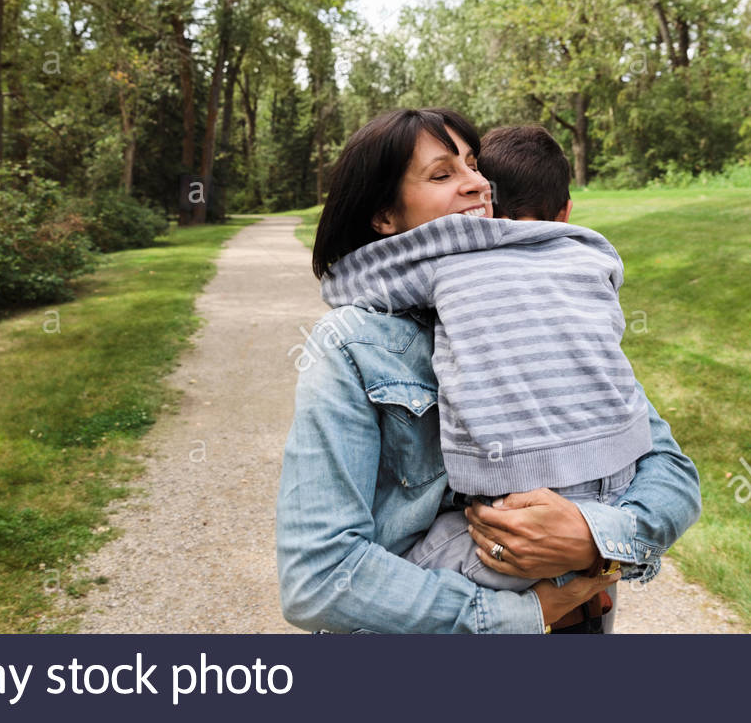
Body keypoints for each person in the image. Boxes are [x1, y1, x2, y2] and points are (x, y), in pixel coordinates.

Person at [275, 108, 701, 633]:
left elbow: (671, 473)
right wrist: (521, 616)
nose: (477, 184)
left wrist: (593, 537)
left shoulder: (543, 301)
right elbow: (318, 578)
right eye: (442, 173)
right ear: (384, 216)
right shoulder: (352, 345)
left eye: (474, 166)